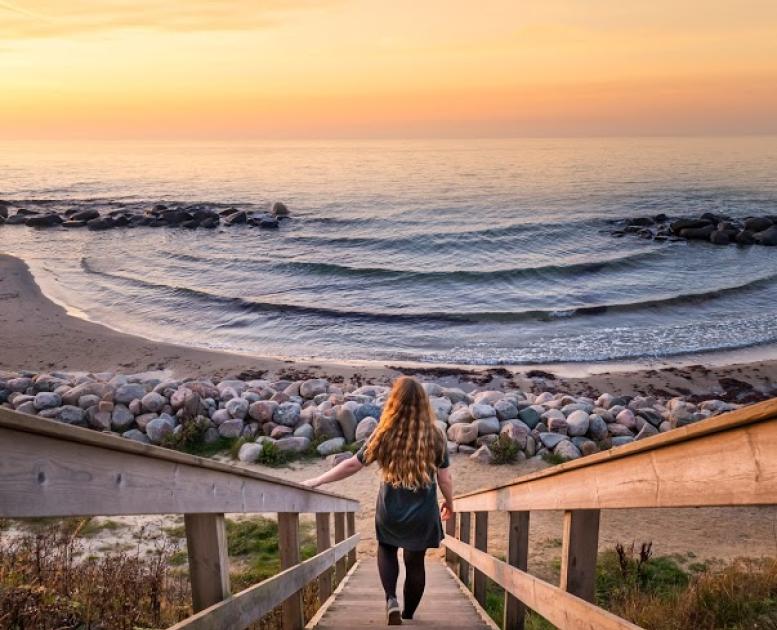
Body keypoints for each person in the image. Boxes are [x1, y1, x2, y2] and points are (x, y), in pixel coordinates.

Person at [303, 376, 454, 625]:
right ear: (423, 404)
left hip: (391, 511)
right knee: (415, 563)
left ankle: (391, 600)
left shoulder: (384, 433)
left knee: (387, 549)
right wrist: (451, 502)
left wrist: (318, 480)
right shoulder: (435, 436)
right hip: (423, 515)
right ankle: (408, 615)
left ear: (395, 402)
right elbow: (445, 478)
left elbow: (352, 464)